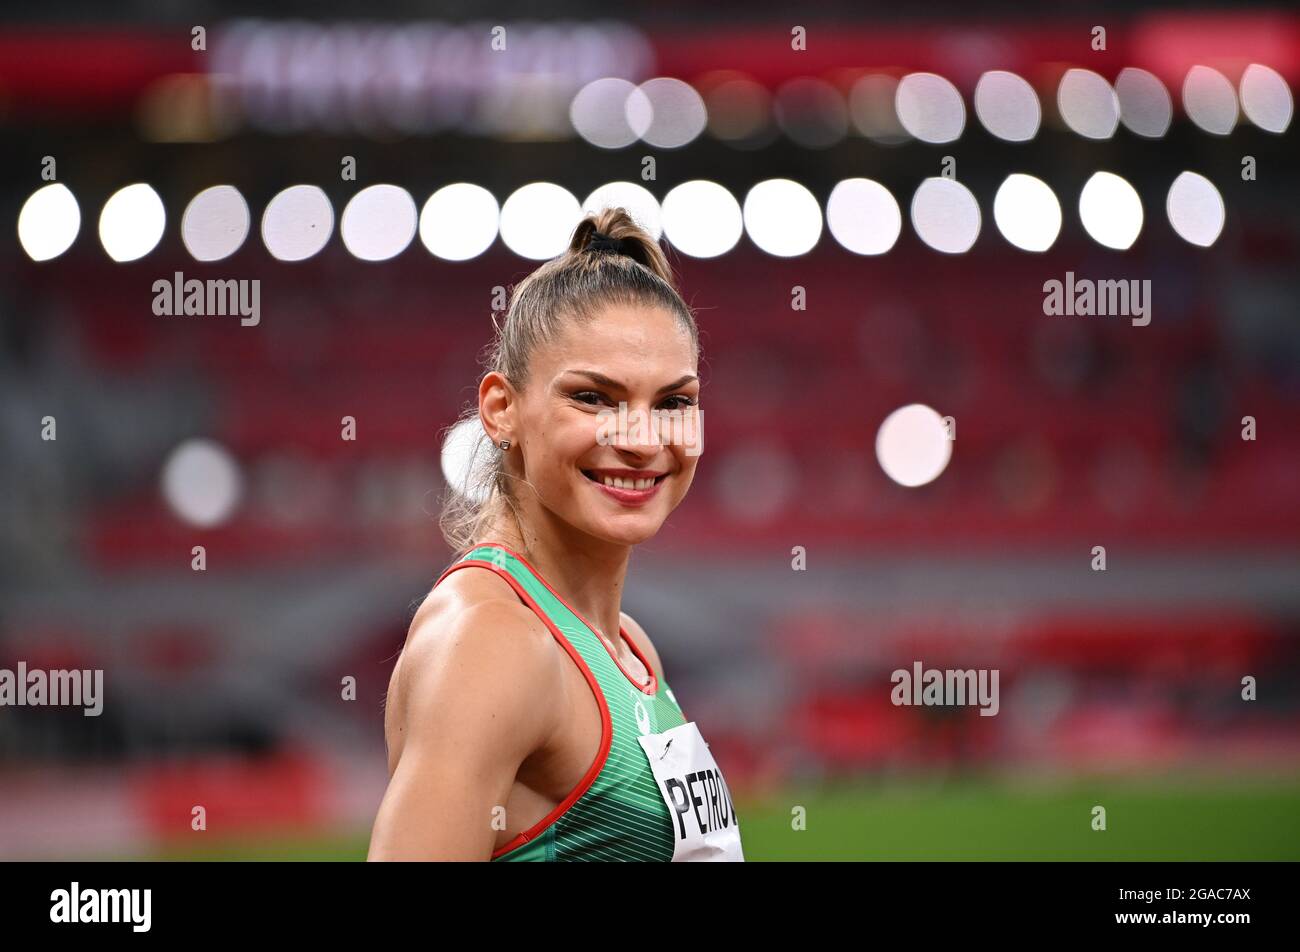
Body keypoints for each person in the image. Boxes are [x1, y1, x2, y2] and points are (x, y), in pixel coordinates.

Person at [367, 207, 744, 861]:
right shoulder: (494, 642)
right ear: (501, 410)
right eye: (594, 398)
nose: (642, 439)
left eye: (674, 403)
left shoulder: (631, 646)